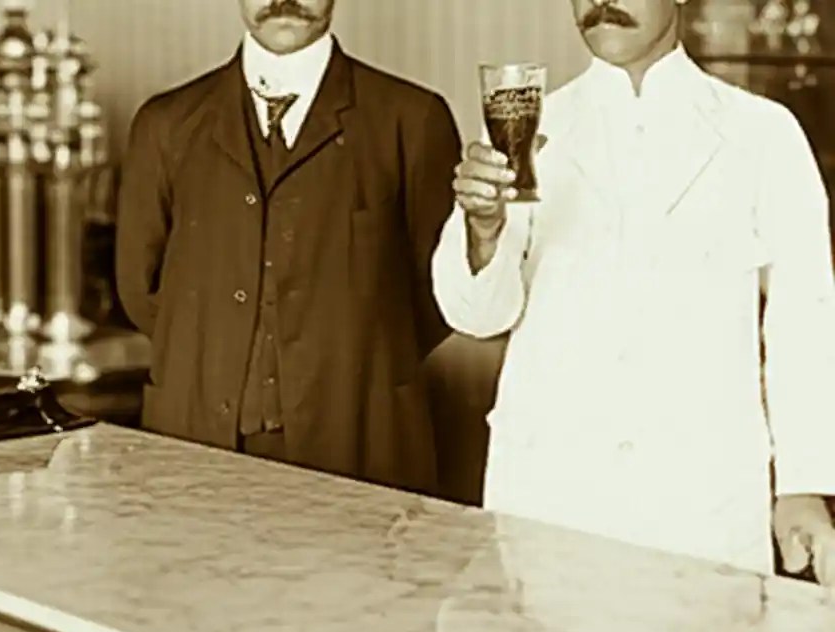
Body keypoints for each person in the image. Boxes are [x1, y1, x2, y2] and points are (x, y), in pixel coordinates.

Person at [432, 0, 835, 580]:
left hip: (698, 510)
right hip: (551, 500)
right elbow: (476, 315)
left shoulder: (762, 134)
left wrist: (802, 485)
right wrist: (483, 229)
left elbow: (806, 321)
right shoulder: (528, 130)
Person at [115, 0, 461, 491]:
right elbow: (141, 290)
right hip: (195, 445)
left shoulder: (411, 119)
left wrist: (349, 356)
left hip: (358, 444)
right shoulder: (165, 124)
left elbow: (441, 298)